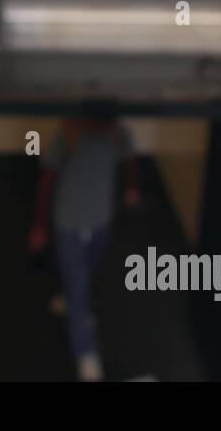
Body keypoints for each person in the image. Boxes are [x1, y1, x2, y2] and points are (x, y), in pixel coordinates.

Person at [28, 117, 140, 381]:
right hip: (69, 222)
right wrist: (39, 226)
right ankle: (86, 354)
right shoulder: (68, 136)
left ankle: (69, 298)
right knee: (80, 293)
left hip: (100, 220)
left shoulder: (118, 134)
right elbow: (47, 177)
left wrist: (132, 186)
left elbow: (130, 161)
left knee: (82, 275)